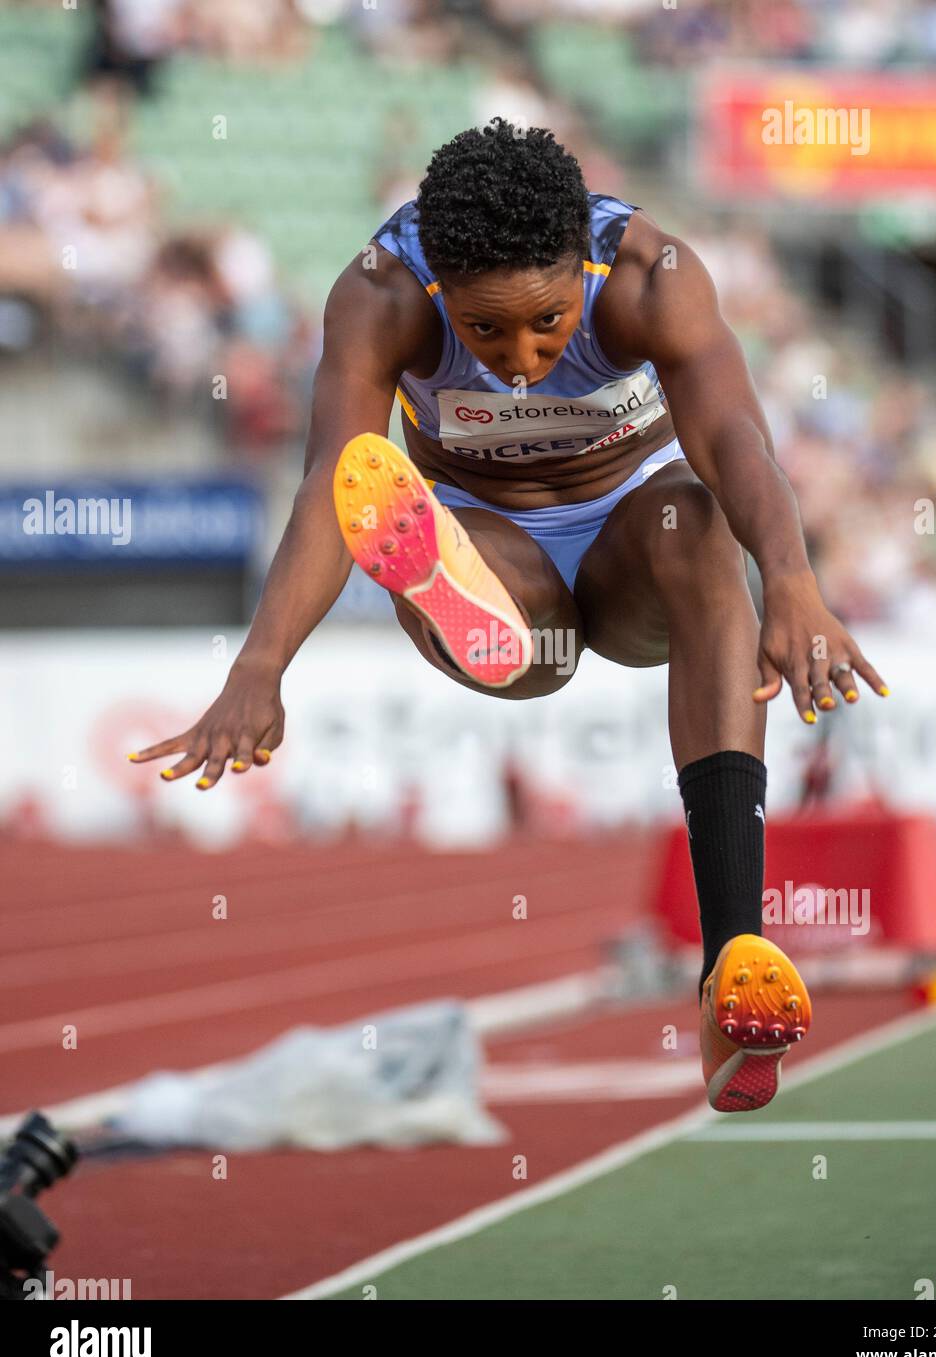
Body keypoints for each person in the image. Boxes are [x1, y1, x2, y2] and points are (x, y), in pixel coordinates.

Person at [131, 120, 890, 1110]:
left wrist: (790, 580)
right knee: (511, 611)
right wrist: (259, 667)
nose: (522, 359)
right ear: (439, 286)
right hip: (493, 542)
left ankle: (732, 959)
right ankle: (443, 590)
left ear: (585, 266)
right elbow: (329, 480)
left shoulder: (655, 277)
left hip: (629, 543)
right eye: (485, 332)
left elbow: (735, 435)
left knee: (700, 525)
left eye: (546, 322)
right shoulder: (380, 294)